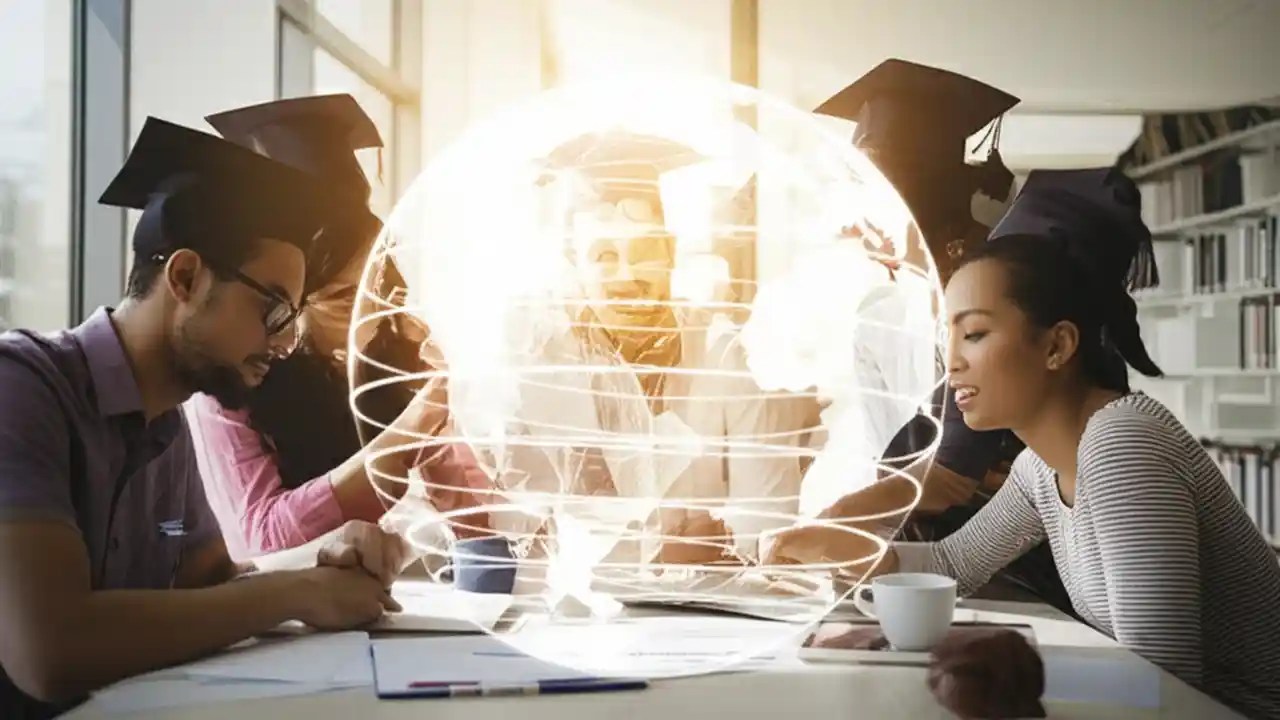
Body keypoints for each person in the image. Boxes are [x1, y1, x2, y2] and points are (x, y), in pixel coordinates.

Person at [772, 167, 1280, 719]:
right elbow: (951, 562)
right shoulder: (1042, 466)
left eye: (976, 334)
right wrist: (833, 543)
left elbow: (1162, 677)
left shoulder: (1121, 444)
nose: (953, 360)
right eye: (948, 336)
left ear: (1058, 345)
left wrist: (981, 665)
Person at [0, 117, 421, 719]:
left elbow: (215, 581)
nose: (283, 342)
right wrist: (298, 590)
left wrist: (328, 553)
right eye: (274, 309)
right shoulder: (21, 386)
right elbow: (48, 650)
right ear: (187, 277)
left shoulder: (167, 425)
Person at [809, 58, 1071, 610]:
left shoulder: (1005, 291)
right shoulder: (882, 313)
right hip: (943, 555)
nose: (853, 225)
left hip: (1036, 561)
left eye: (871, 198)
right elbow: (910, 469)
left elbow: (948, 471)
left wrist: (844, 515)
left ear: (918, 194)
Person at [183, 94, 484, 561]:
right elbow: (261, 540)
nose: (372, 308)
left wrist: (455, 410)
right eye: (347, 296)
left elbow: (476, 527)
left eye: (382, 284)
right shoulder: (226, 384)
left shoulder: (397, 356)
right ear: (287, 301)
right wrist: (409, 429)